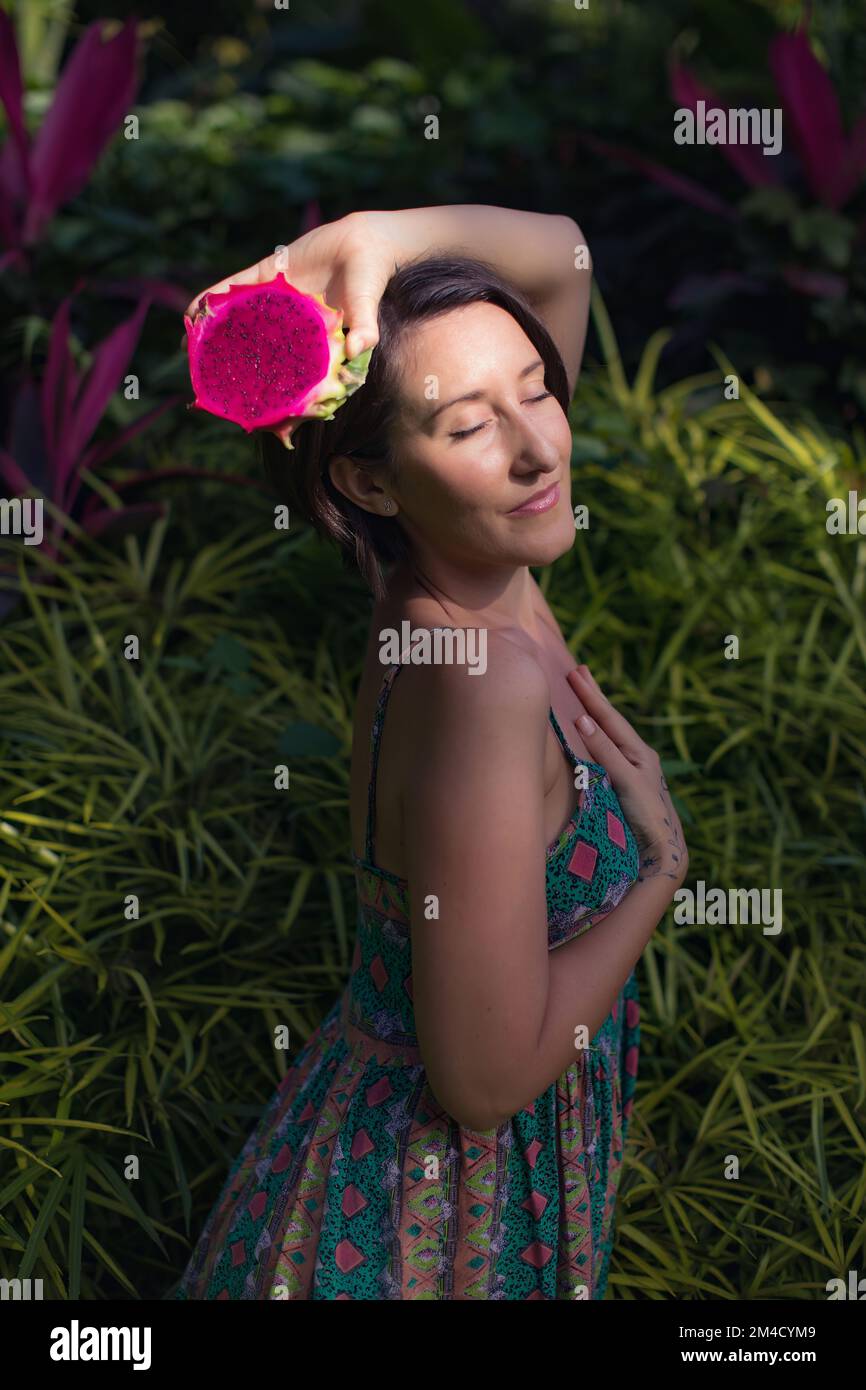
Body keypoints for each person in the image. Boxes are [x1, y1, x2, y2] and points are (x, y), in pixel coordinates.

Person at [170, 206, 688, 1300]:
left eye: (535, 388)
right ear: (367, 481)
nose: (539, 447)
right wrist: (660, 875)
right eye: (465, 426)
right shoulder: (476, 682)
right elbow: (485, 1081)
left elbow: (566, 251)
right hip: (431, 1229)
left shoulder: (461, 574)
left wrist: (364, 239)